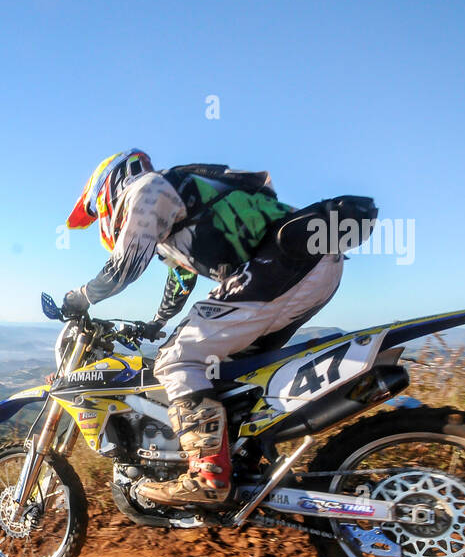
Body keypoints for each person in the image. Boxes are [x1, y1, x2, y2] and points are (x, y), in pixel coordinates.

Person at [62, 150, 344, 506]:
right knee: (232, 375)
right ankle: (247, 467)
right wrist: (157, 323)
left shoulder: (147, 189)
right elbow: (181, 277)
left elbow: (125, 266)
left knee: (174, 360)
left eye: (97, 212)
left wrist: (79, 298)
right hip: (306, 265)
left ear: (109, 187)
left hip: (284, 262)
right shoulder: (176, 197)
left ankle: (208, 475)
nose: (103, 220)